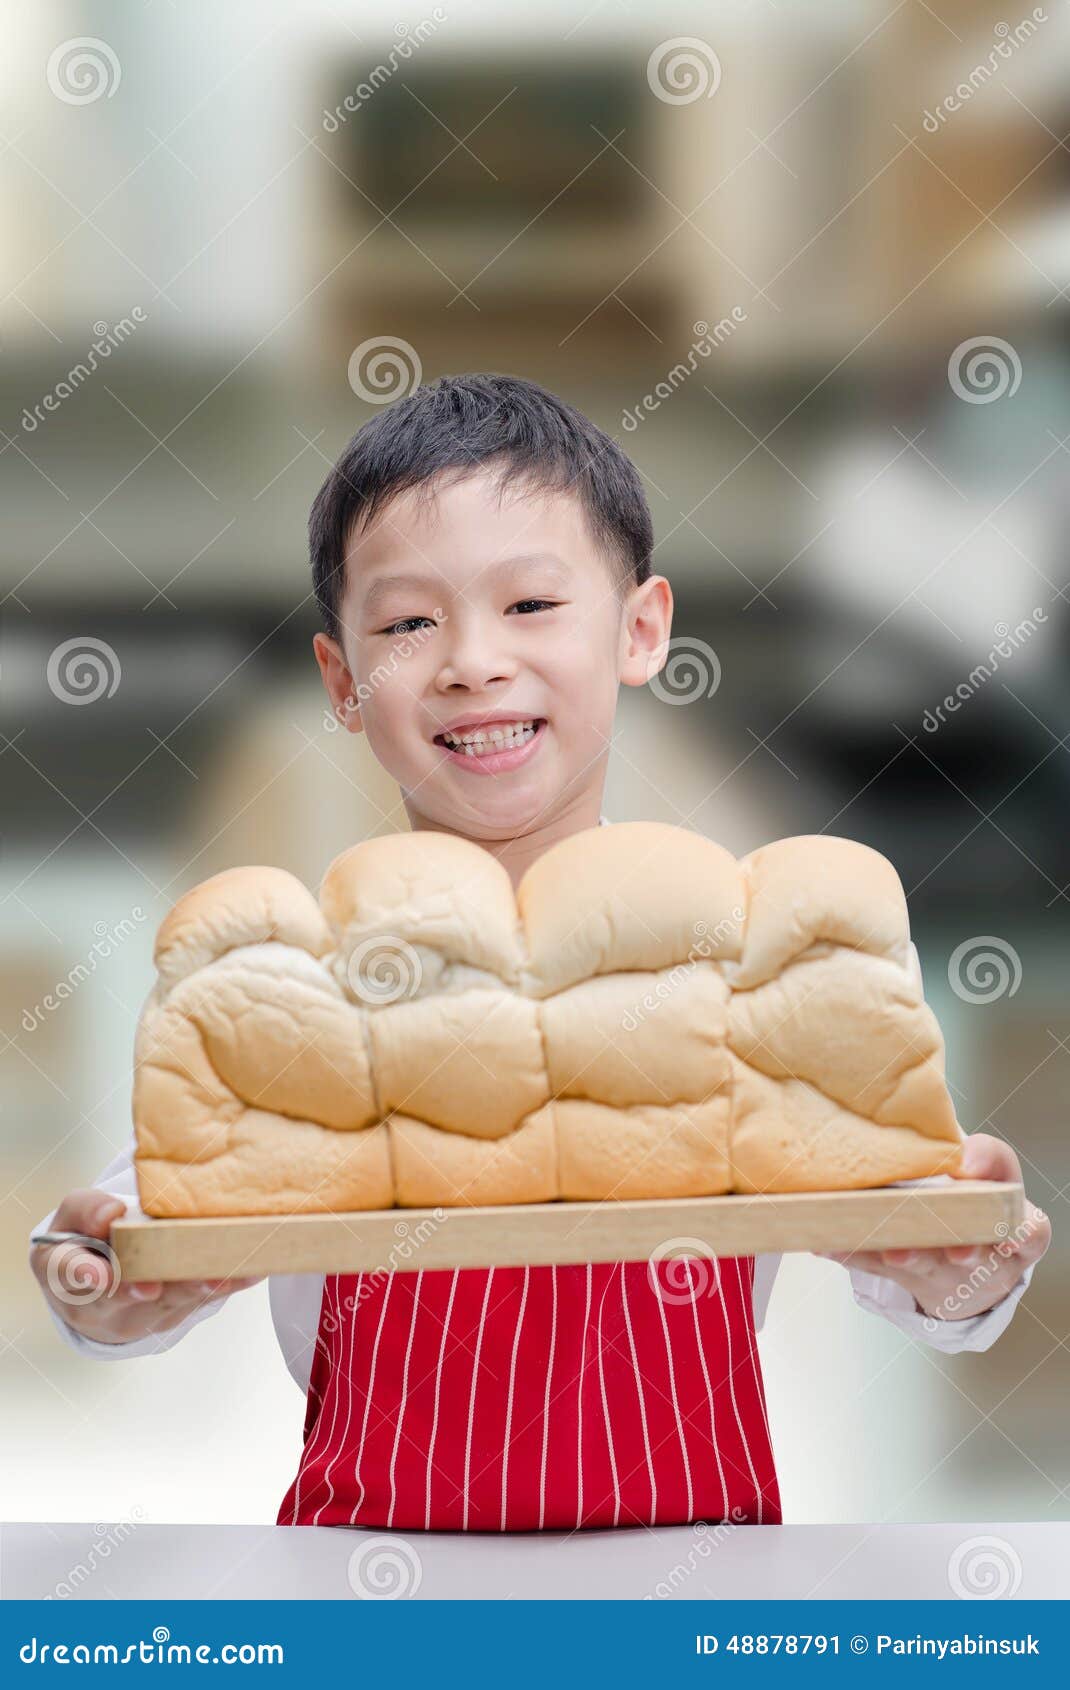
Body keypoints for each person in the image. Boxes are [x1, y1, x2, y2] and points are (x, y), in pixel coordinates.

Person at [30, 374, 1050, 1532]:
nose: (471, 660)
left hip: (690, 1589)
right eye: (408, 623)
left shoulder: (751, 972)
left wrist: (966, 1265)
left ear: (639, 631)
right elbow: (133, 1232)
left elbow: (925, 1265)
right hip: (375, 1591)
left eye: (528, 605)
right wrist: (103, 1289)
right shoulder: (286, 988)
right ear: (341, 685)